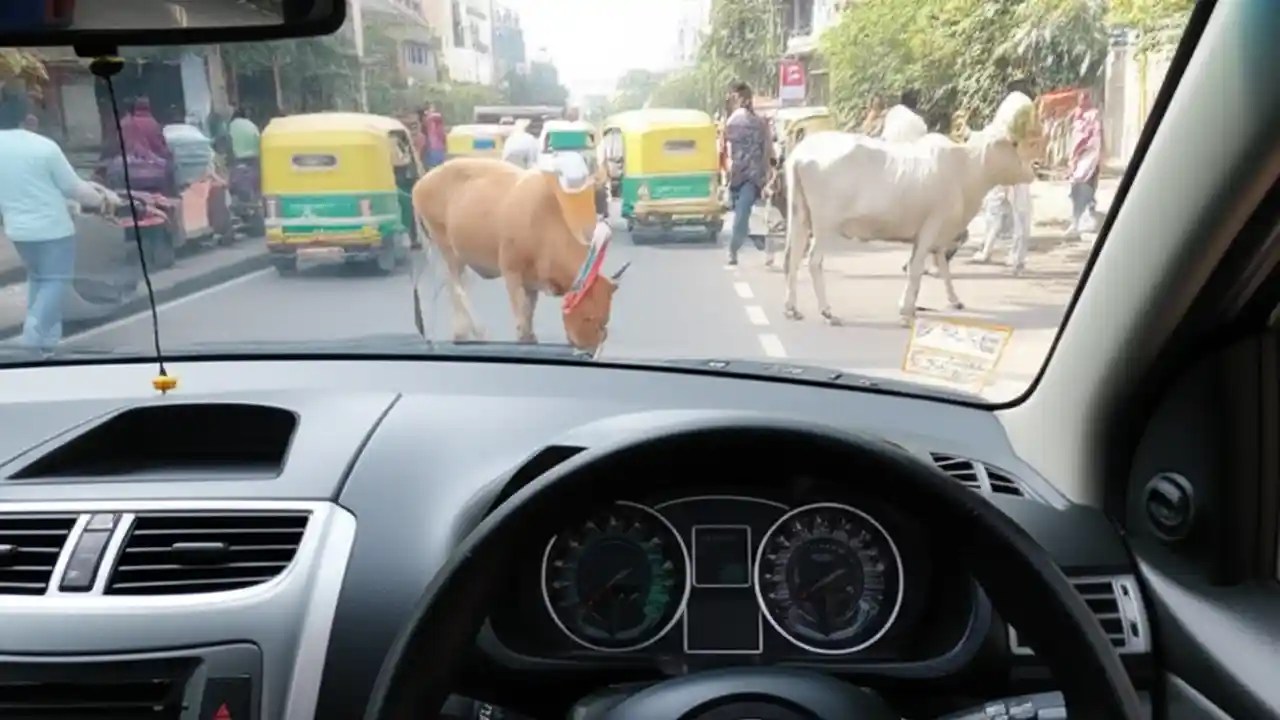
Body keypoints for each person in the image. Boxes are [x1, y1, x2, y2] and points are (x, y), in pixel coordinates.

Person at [0, 93, 116, 356]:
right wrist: (100, 201)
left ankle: (46, 343)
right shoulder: (44, 146)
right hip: (53, 228)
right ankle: (32, 335)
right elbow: (73, 187)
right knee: (55, 281)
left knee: (38, 279)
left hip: (18, 229)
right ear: (26, 118)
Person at [974, 78, 1036, 275]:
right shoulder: (1027, 105)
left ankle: (986, 250)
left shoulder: (1006, 105)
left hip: (1001, 158)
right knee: (1022, 211)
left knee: (994, 207)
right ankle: (1018, 258)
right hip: (1019, 159)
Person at [723, 81, 772, 266]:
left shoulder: (755, 123)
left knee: (741, 215)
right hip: (736, 177)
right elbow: (725, 152)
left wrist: (767, 172)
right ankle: (763, 245)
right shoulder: (737, 123)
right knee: (743, 216)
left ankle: (733, 251)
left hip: (750, 177)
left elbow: (767, 150)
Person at [1066, 90, 1102, 237]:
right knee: (1077, 190)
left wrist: (1081, 154)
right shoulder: (1077, 116)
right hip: (1078, 161)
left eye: (1085, 99)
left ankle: (1085, 220)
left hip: (1089, 160)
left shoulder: (1093, 116)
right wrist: (1072, 159)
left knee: (1086, 189)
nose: (1082, 102)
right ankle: (1078, 221)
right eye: (1080, 99)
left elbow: (1092, 140)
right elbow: (1074, 140)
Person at [422, 104, 447, 170]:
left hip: (432, 148)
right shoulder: (438, 124)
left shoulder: (429, 120)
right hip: (439, 148)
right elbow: (443, 136)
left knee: (432, 168)